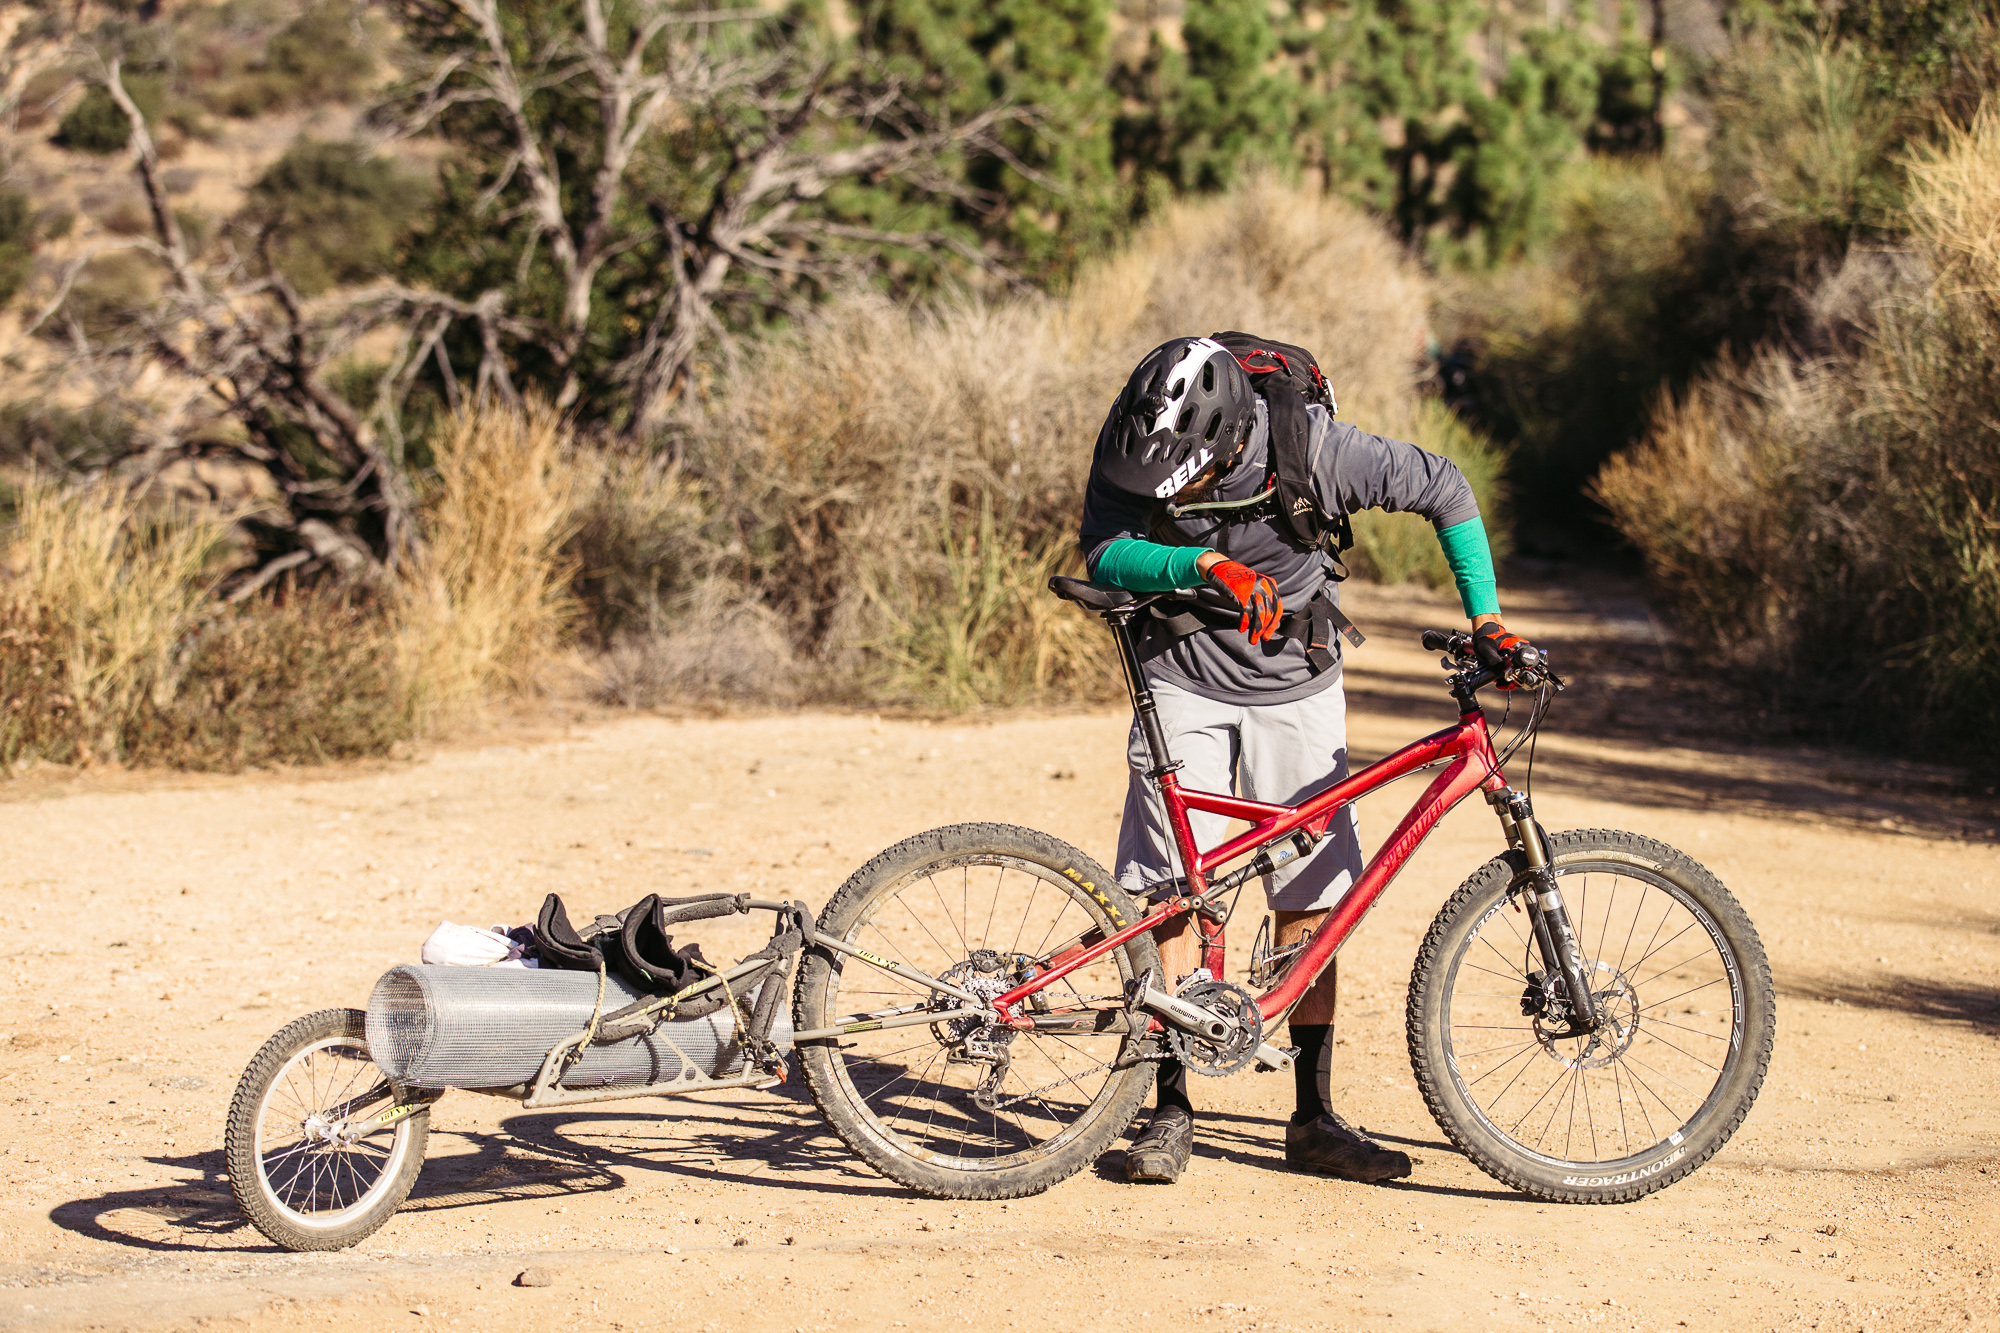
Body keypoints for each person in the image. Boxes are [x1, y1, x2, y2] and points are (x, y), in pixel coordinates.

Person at [1078, 335, 1531, 1185]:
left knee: (1312, 895)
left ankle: (1314, 1118)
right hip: (1178, 671)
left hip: (1298, 678)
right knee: (1178, 889)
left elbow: (1447, 488)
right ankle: (1169, 1108)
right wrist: (1200, 561)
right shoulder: (1136, 443)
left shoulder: (1313, 449)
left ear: (1230, 444)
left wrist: (1486, 619)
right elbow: (1103, 550)